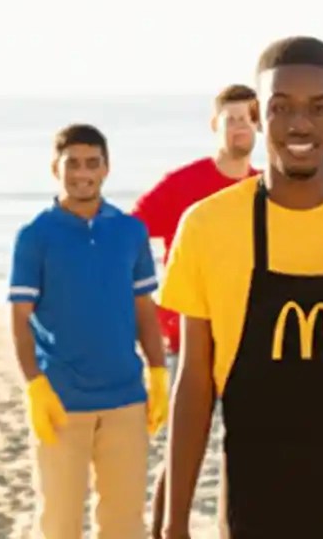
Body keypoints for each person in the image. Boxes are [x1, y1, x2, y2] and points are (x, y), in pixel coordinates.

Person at [158, 36, 323, 538]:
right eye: (283, 107)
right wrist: (174, 523)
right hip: (254, 506)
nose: (300, 124)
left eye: (318, 108)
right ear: (258, 114)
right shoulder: (207, 227)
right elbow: (194, 381)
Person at [7, 123, 169, 538]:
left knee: (124, 523)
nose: (83, 173)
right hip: (62, 400)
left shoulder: (130, 232)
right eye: (72, 164)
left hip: (126, 401)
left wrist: (157, 373)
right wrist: (35, 386)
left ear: (106, 168)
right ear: (55, 169)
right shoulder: (34, 236)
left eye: (92, 163)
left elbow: (144, 309)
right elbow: (20, 317)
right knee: (59, 523)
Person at [130, 83, 260, 537]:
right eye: (232, 117)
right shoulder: (183, 184)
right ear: (215, 125)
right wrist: (147, 305)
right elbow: (129, 235)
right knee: (184, 450)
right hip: (188, 340)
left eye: (249, 116)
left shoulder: (268, 187)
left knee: (241, 453)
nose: (241, 125)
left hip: (250, 342)